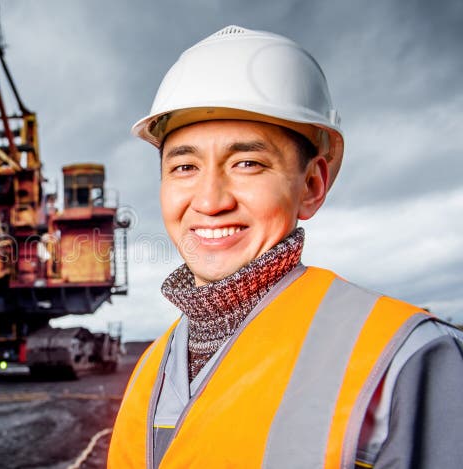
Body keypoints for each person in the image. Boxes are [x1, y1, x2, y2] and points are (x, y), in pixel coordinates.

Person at [107, 25, 463, 468]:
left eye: (247, 163)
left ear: (311, 186)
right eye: (185, 167)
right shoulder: (151, 368)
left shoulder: (404, 360)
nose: (210, 201)